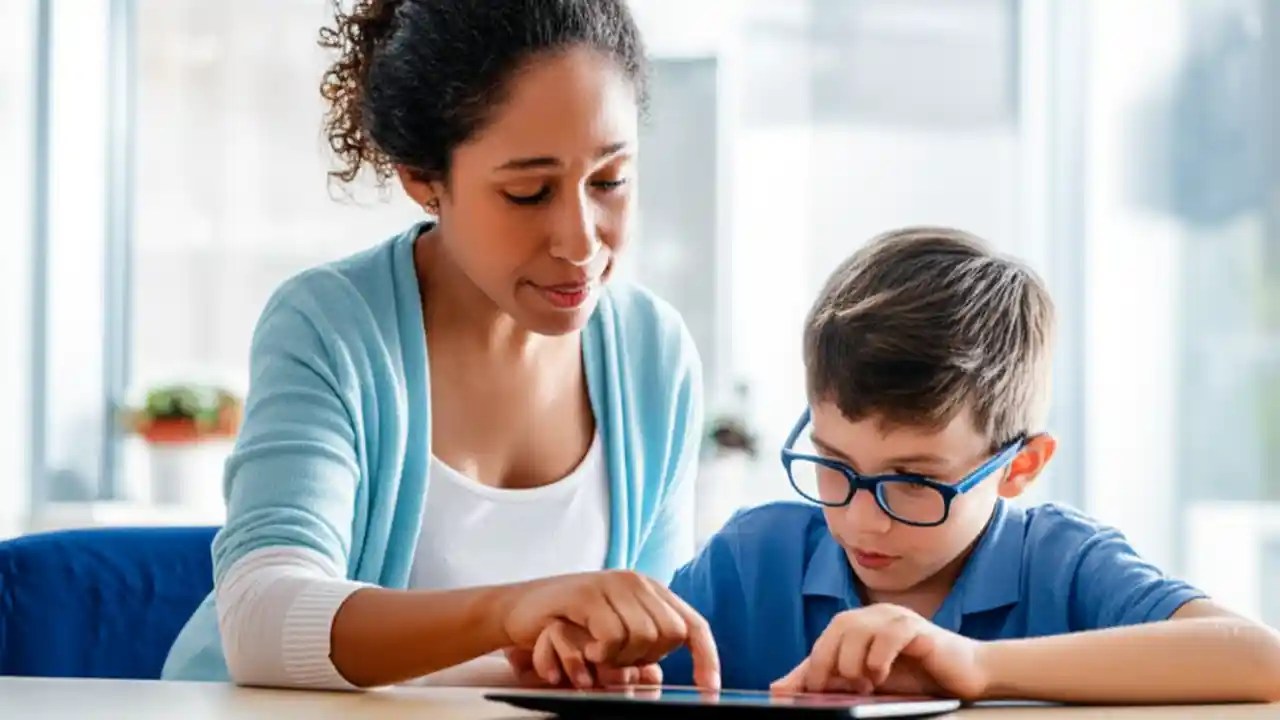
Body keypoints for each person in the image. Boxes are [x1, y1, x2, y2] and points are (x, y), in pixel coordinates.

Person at [161, 0, 719, 691]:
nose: (579, 240)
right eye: (527, 192)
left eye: (610, 180)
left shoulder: (652, 355)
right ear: (423, 178)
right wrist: (513, 610)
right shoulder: (331, 326)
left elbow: (642, 639)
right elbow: (258, 623)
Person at [637, 227, 1280, 702]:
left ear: (1020, 465)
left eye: (914, 481)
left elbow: (1261, 660)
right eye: (834, 464)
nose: (864, 520)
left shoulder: (1061, 565)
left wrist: (978, 664)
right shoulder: (751, 562)